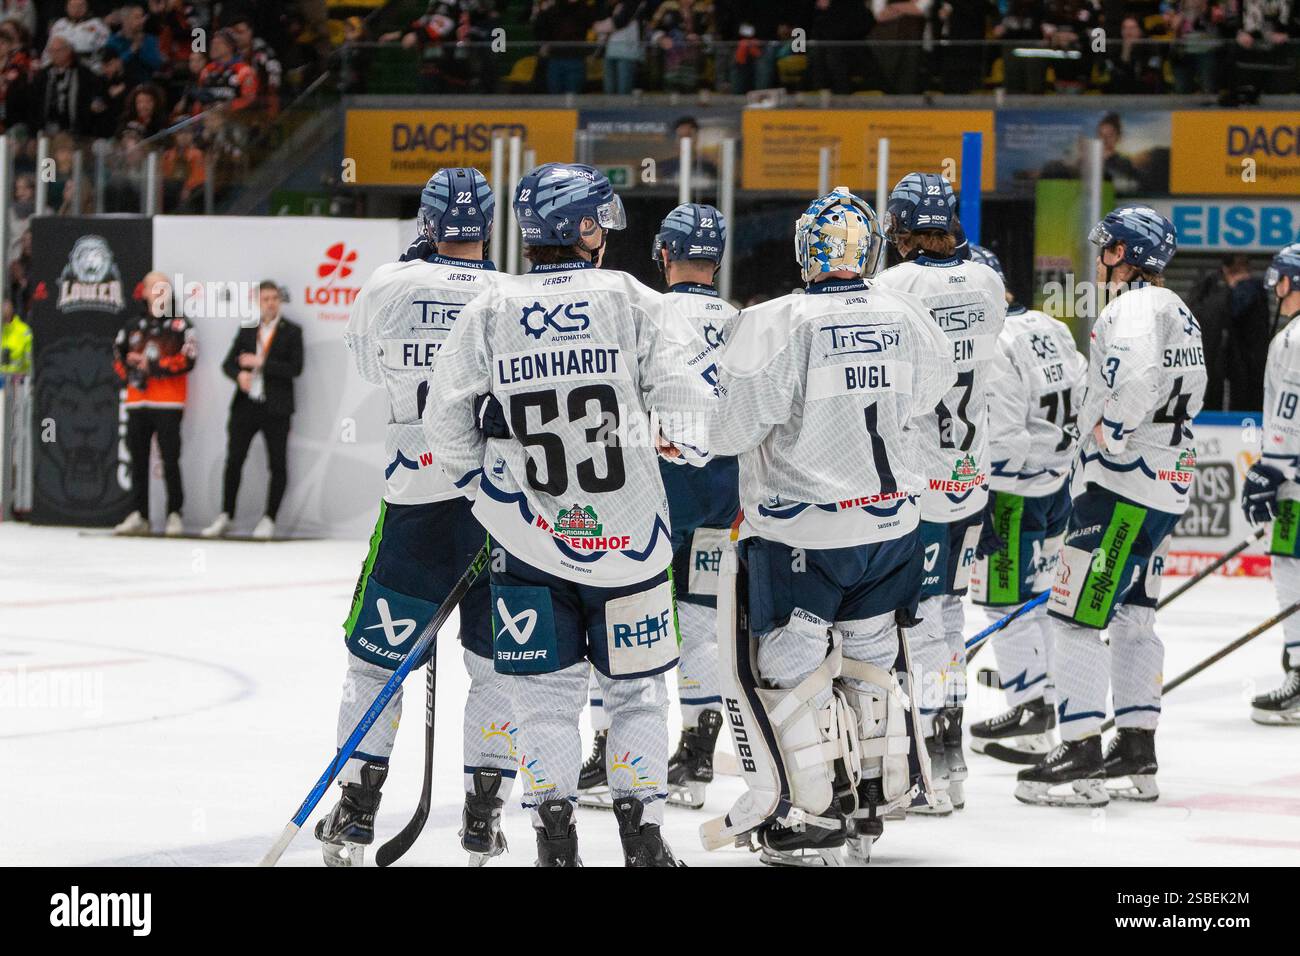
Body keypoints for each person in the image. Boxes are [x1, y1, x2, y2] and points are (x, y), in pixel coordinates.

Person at [427, 163, 715, 867]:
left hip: (527, 543)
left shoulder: (490, 309)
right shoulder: (632, 298)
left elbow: (444, 427)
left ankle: (555, 843)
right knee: (637, 698)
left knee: (544, 703)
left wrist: (487, 492)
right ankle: (643, 839)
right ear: (584, 227)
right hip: (634, 542)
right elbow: (694, 424)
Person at [704, 186, 954, 865]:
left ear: (805, 249)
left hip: (802, 534)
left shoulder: (776, 321)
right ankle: (872, 807)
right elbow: (930, 393)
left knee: (790, 670)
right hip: (892, 529)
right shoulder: (906, 314)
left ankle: (808, 819)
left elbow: (731, 428)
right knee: (873, 666)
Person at [313, 168, 517, 868]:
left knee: (375, 663)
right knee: (498, 668)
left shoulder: (386, 285)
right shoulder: (508, 296)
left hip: (417, 507)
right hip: (501, 514)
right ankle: (485, 820)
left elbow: (369, 369)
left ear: (427, 223)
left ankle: (357, 812)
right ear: (488, 227)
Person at [1019, 205, 1205, 807]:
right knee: (1133, 617)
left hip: (1120, 491)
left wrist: (1113, 433)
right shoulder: (1180, 310)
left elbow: (1134, 381)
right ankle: (1135, 747)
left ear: (1126, 254)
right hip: (1162, 491)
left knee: (1072, 618)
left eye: (1107, 249)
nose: (1099, 260)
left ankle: (1079, 753)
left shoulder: (1129, 309)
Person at [577, 202, 737, 811]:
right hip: (722, 496)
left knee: (623, 625)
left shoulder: (645, 308)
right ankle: (695, 761)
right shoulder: (742, 320)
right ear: (716, 260)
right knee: (698, 627)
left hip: (651, 492)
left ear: (663, 254)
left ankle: (613, 753)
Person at [872, 172, 1007, 814]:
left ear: (899, 231)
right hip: (969, 478)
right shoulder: (985, 279)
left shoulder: (896, 286)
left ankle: (924, 759)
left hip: (918, 484)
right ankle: (948, 760)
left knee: (917, 625)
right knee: (950, 617)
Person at [964, 244, 1086, 761]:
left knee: (1000, 600)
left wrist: (982, 498)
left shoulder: (994, 345)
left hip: (1012, 495)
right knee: (1039, 599)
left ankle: (1030, 704)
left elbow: (1006, 437)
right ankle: (1046, 699)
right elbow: (1083, 389)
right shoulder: (1049, 327)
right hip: (1057, 488)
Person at [1240, 242, 1300, 726]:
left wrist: (1270, 469)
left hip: (1296, 483)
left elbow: (1288, 414)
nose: (1274, 290)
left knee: (1289, 568)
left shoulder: (1292, 339)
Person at [202, 281, 302, 541]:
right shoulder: (247, 329)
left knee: (277, 463)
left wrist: (262, 363)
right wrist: (239, 377)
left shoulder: (291, 331)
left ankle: (269, 518)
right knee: (234, 460)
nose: (270, 302)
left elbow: (295, 368)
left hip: (276, 407)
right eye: (265, 298)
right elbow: (227, 364)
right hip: (246, 405)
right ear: (258, 301)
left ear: (279, 301)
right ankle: (226, 514)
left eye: (274, 298)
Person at [112, 270, 196, 535]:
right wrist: (132, 371)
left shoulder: (181, 325)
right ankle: (140, 514)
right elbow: (117, 357)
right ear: (144, 292)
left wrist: (155, 365)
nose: (159, 293)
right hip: (138, 401)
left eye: (164, 289)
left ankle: (174, 513)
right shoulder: (132, 326)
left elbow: (189, 359)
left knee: (170, 459)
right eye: (154, 288)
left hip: (168, 402)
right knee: (137, 460)